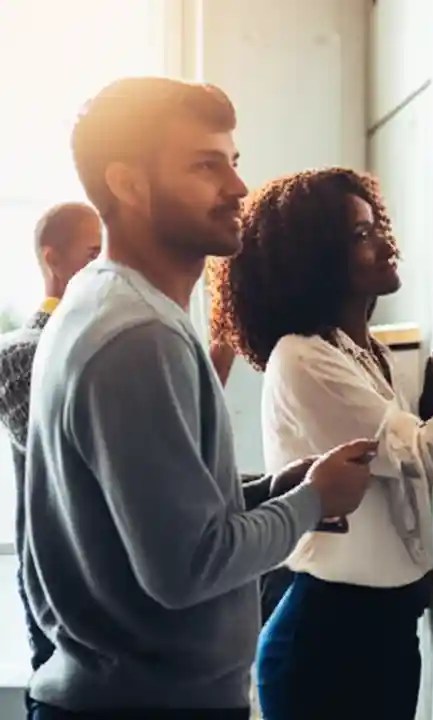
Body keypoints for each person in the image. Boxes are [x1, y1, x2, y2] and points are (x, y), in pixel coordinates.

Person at [22, 77, 378, 719]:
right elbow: (188, 566)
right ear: (128, 185)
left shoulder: (107, 303)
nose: (238, 187)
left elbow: (144, 522)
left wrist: (272, 492)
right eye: (205, 166)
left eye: (233, 162)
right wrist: (312, 502)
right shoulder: (139, 336)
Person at [208, 167, 433, 719]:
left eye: (377, 228)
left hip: (383, 630)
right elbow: (431, 456)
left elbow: (405, 465)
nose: (385, 243)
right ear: (317, 259)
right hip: (328, 642)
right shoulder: (303, 357)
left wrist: (425, 416)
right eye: (360, 237)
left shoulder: (365, 354)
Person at [0, 202, 101, 710]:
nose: (106, 266)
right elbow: (66, 448)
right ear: (53, 259)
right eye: (93, 253)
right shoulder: (18, 352)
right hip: (59, 573)